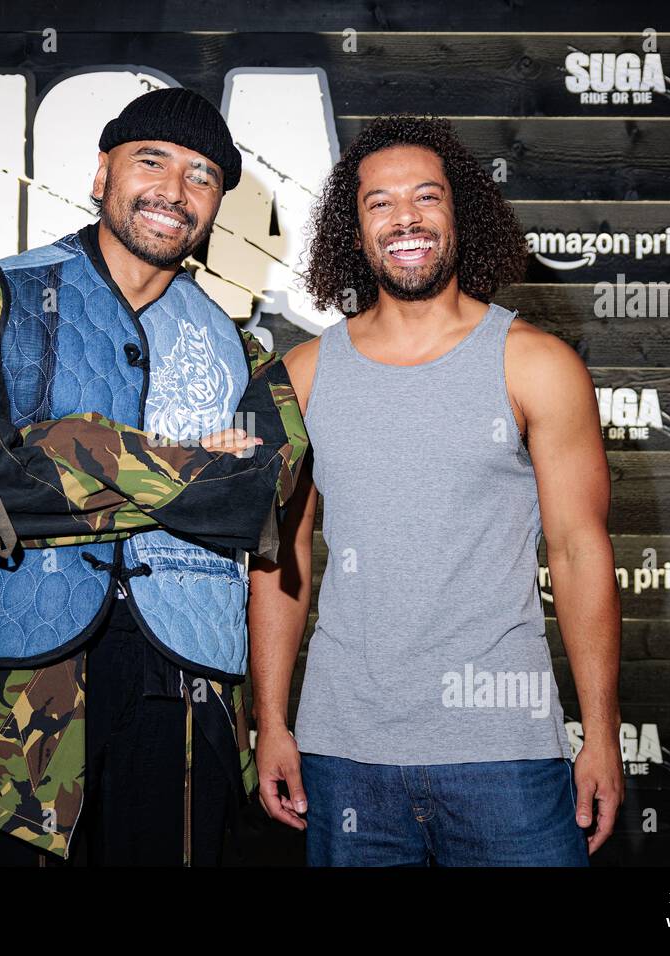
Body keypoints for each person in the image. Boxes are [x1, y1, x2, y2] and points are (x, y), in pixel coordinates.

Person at [0, 87, 308, 866]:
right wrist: (167, 466)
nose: (176, 190)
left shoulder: (242, 351)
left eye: (203, 176)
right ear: (101, 173)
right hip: (6, 698)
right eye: (153, 161)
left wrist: (56, 452)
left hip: (182, 687)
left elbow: (261, 499)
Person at [250, 114, 625, 866]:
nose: (406, 218)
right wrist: (272, 720)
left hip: (507, 753)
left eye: (427, 197)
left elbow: (580, 551)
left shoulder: (535, 364)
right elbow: (279, 556)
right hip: (345, 750)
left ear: (461, 215)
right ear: (354, 233)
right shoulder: (301, 375)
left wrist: (603, 735)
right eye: (379, 203)